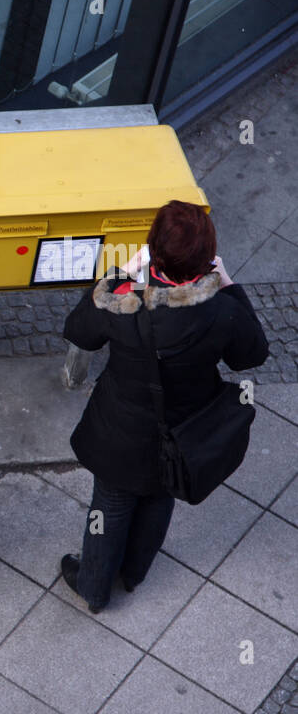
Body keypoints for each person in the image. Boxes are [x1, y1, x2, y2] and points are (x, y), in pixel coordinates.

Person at [60, 200, 268, 612]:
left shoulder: (124, 301)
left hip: (119, 431)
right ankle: (134, 574)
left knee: (111, 506)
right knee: (159, 497)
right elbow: (252, 354)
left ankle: (94, 588)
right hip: (184, 431)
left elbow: (78, 331)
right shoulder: (221, 310)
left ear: (153, 248)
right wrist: (227, 283)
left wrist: (122, 272)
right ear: (206, 258)